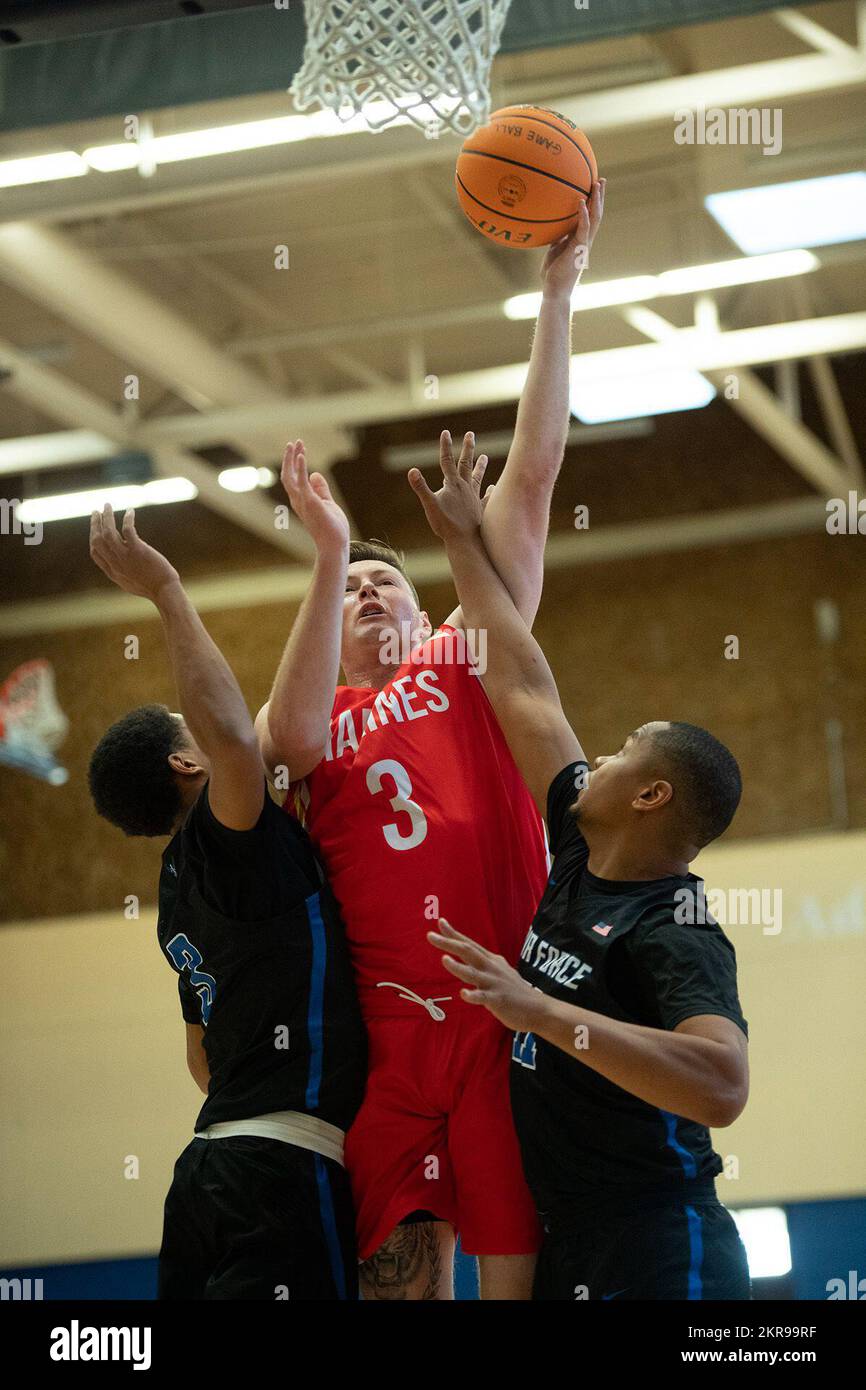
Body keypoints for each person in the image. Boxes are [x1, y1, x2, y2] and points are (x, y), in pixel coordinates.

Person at [257, 182, 606, 1301]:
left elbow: (535, 479)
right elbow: (278, 740)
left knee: (512, 1283)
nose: (364, 588)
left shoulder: (461, 658)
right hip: (391, 1041)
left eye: (381, 579)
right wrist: (324, 562)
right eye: (346, 584)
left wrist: (557, 293)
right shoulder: (313, 727)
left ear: (421, 613)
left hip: (506, 1007)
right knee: (395, 1285)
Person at [409, 438, 752, 1301]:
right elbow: (522, 683)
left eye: (624, 752)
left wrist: (539, 1011)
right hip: (572, 1237)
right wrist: (458, 540)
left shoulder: (676, 930)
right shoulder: (577, 842)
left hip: (664, 1242)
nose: (597, 753)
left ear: (651, 797)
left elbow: (722, 1086)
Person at [87, 503, 366, 1301]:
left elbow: (201, 1059)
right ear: (185, 759)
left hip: (208, 1170)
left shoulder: (179, 895)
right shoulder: (223, 841)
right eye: (192, 729)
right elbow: (238, 739)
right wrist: (169, 591)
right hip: (279, 1167)